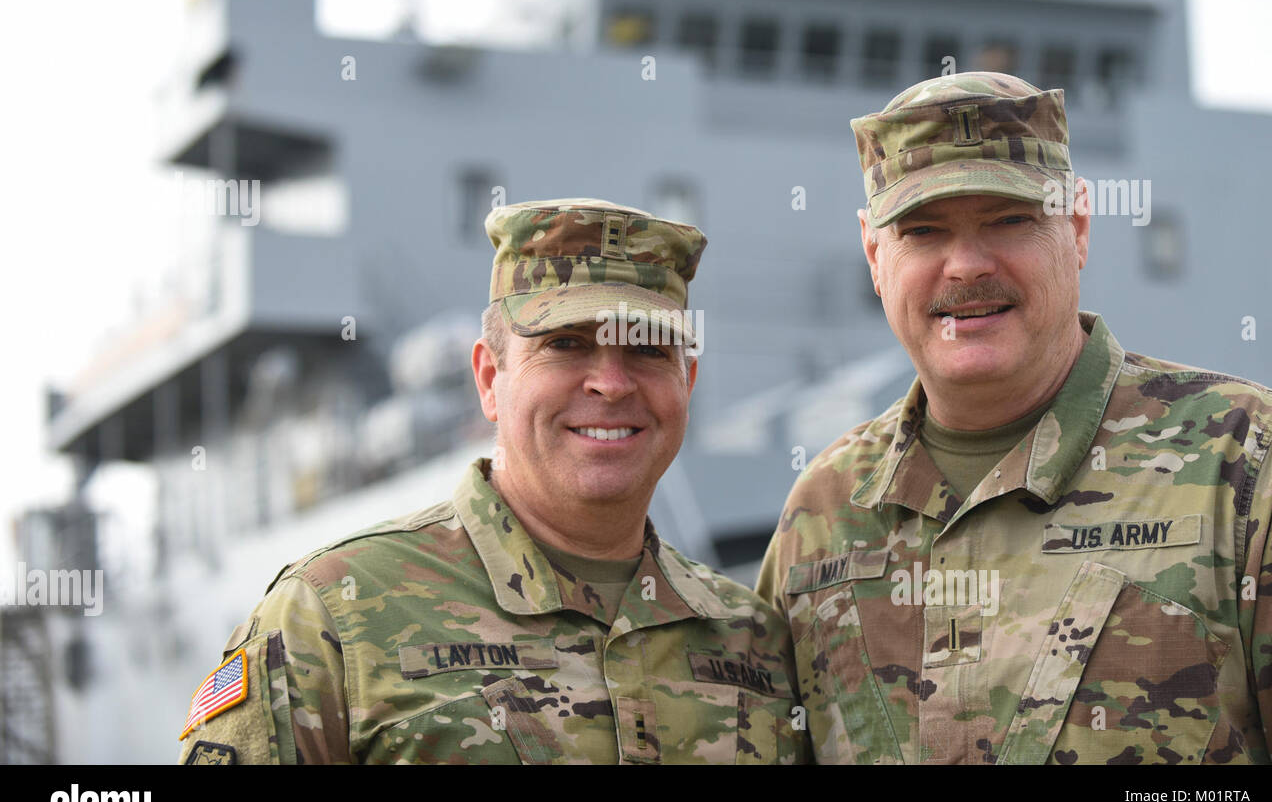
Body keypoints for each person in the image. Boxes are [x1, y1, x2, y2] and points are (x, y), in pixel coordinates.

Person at [756, 72, 1272, 765]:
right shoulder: (824, 513)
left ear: (1075, 228)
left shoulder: (1249, 467)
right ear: (874, 255)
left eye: (1010, 220)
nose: (965, 266)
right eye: (923, 231)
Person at [178, 198, 807, 765]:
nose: (612, 383)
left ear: (686, 383)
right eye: (564, 343)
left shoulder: (755, 643)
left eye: (648, 349)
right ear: (488, 379)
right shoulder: (332, 622)